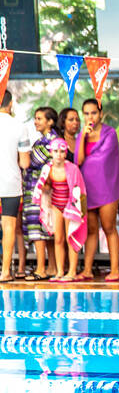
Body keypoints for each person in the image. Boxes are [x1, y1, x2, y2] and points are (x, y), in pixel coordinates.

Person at [74, 99, 119, 282]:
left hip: (106, 187)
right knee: (91, 229)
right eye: (86, 113)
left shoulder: (110, 133)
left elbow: (101, 160)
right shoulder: (82, 135)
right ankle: (87, 270)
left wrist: (88, 157)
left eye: (93, 113)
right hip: (88, 188)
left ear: (100, 113)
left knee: (109, 227)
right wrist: (83, 139)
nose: (90, 117)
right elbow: (78, 161)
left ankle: (115, 270)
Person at [35, 137, 87, 283]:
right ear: (51, 152)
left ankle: (71, 271)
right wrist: (43, 188)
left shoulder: (72, 169)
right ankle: (59, 271)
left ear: (65, 153)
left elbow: (79, 191)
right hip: (56, 205)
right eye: (56, 151)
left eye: (62, 151)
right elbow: (44, 187)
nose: (59, 154)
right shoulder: (47, 169)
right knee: (58, 239)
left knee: (70, 238)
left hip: (70, 205)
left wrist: (78, 209)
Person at [20, 106, 57, 281]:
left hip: (40, 191)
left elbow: (31, 161)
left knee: (38, 228)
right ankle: (51, 267)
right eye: (35, 118)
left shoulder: (50, 141)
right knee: (46, 229)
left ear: (50, 122)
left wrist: (21, 150)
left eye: (39, 118)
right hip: (38, 190)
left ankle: (41, 268)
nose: (36, 122)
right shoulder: (44, 140)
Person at [0, 90, 32, 282]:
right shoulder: (20, 127)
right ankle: (5, 271)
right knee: (9, 226)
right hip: (11, 183)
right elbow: (25, 163)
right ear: (10, 104)